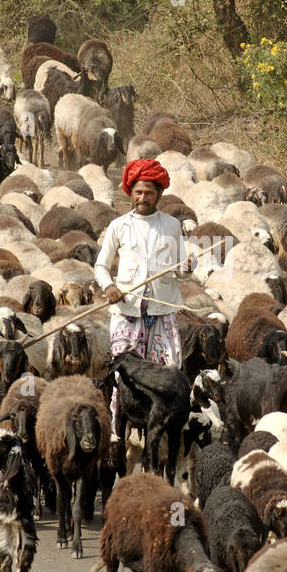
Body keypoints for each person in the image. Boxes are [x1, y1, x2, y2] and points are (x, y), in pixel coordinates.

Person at [94, 158, 191, 429]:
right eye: (138, 192)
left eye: (149, 192)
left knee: (167, 374)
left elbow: (181, 270)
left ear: (159, 194)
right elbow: (101, 266)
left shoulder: (171, 225)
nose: (143, 197)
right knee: (123, 377)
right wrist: (110, 287)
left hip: (162, 312)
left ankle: (163, 429)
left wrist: (187, 267)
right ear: (130, 193)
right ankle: (118, 432)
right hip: (127, 313)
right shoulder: (119, 226)